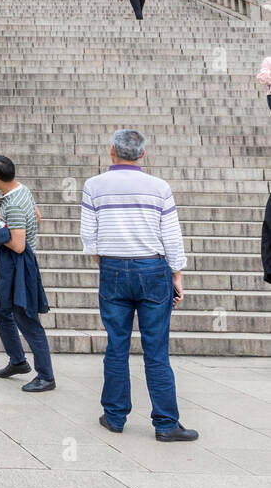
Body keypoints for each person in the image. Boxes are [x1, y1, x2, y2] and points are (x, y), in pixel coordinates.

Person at [81, 129, 198, 441]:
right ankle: (166, 423)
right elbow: (172, 235)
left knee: (116, 345)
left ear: (112, 152)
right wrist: (177, 274)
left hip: (113, 268)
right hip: (153, 268)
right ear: (142, 154)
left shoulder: (94, 186)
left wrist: (105, 262)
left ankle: (115, 415)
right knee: (156, 350)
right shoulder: (159, 187)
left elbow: (88, 235)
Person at [0, 155, 55, 392]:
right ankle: (18, 361)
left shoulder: (12, 203)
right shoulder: (21, 190)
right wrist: (6, 222)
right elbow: (36, 216)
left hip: (19, 266)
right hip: (13, 266)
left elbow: (18, 245)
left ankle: (46, 376)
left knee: (27, 319)